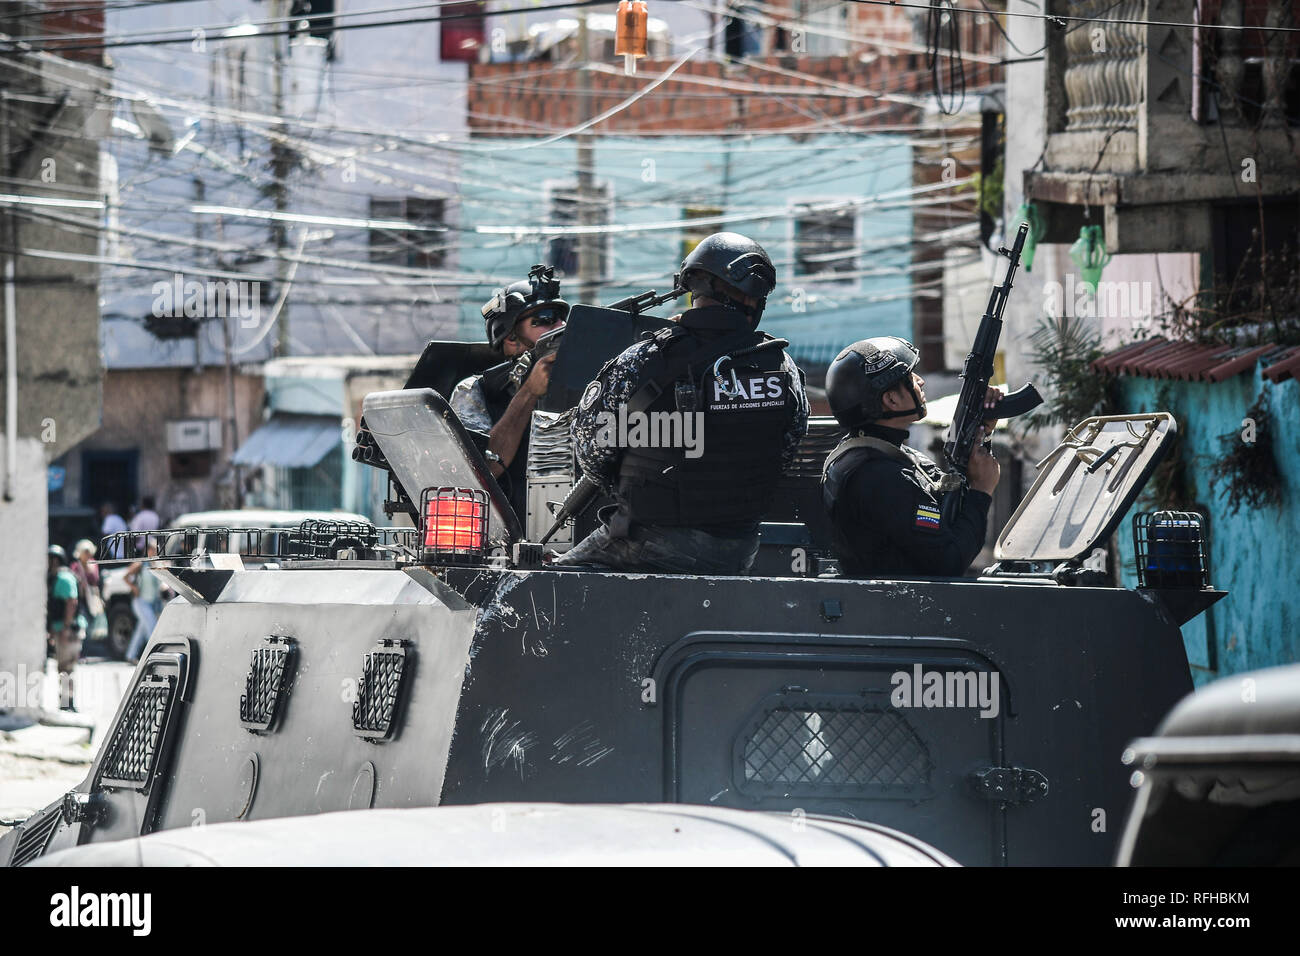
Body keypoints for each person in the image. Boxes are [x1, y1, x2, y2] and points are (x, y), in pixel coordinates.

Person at [554, 232, 809, 575]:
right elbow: (786, 448)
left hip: (647, 540)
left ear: (695, 290)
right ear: (754, 301)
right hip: (736, 548)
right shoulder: (781, 367)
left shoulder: (643, 359)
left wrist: (633, 485)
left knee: (549, 585)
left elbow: (589, 447)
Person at [821, 336, 1003, 578]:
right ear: (891, 399)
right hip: (899, 608)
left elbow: (949, 511)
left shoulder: (878, 458)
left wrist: (979, 436)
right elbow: (950, 560)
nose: (921, 381)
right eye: (910, 378)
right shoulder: (883, 476)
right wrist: (982, 490)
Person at [450, 265, 569, 522]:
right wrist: (528, 394)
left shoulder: (588, 384)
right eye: (546, 318)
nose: (561, 325)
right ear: (512, 339)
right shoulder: (475, 391)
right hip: (508, 542)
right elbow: (479, 472)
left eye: (562, 317)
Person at [46, 545, 85, 711]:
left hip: (67, 631)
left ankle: (67, 703)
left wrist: (64, 628)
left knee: (66, 668)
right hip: (65, 630)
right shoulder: (60, 577)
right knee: (65, 668)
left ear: (55, 560)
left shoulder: (63, 578)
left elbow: (71, 602)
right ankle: (66, 702)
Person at [125, 541, 165, 664]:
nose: (153, 552)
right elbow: (125, 577)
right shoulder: (141, 564)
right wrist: (134, 588)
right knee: (151, 628)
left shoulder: (158, 564)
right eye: (151, 549)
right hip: (141, 602)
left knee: (141, 631)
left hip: (153, 603)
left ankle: (131, 655)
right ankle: (154, 656)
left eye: (155, 549)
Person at [70, 539, 103, 636]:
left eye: (88, 552)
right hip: (81, 599)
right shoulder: (75, 566)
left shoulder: (93, 564)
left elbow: (96, 580)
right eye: (85, 552)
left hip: (92, 598)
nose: (87, 555)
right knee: (83, 622)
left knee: (94, 622)